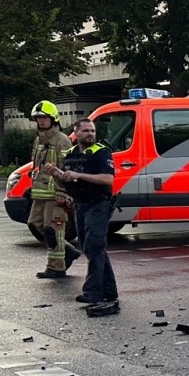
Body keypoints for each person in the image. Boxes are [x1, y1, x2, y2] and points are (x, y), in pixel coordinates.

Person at [53, 118, 118, 314]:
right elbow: (67, 181)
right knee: (92, 248)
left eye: (93, 131)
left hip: (99, 203)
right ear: (77, 133)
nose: (90, 134)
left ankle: (92, 292)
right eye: (86, 131)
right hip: (80, 204)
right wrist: (57, 174)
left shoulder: (101, 152)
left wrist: (79, 175)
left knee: (94, 247)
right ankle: (109, 291)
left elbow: (107, 178)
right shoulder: (71, 154)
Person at [26, 101, 79, 279]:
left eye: (44, 117)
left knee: (52, 230)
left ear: (53, 118)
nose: (41, 121)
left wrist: (63, 192)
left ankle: (56, 267)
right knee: (34, 224)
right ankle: (68, 251)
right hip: (40, 192)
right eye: (38, 118)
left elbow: (67, 168)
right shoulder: (39, 140)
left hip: (56, 194)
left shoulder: (62, 140)